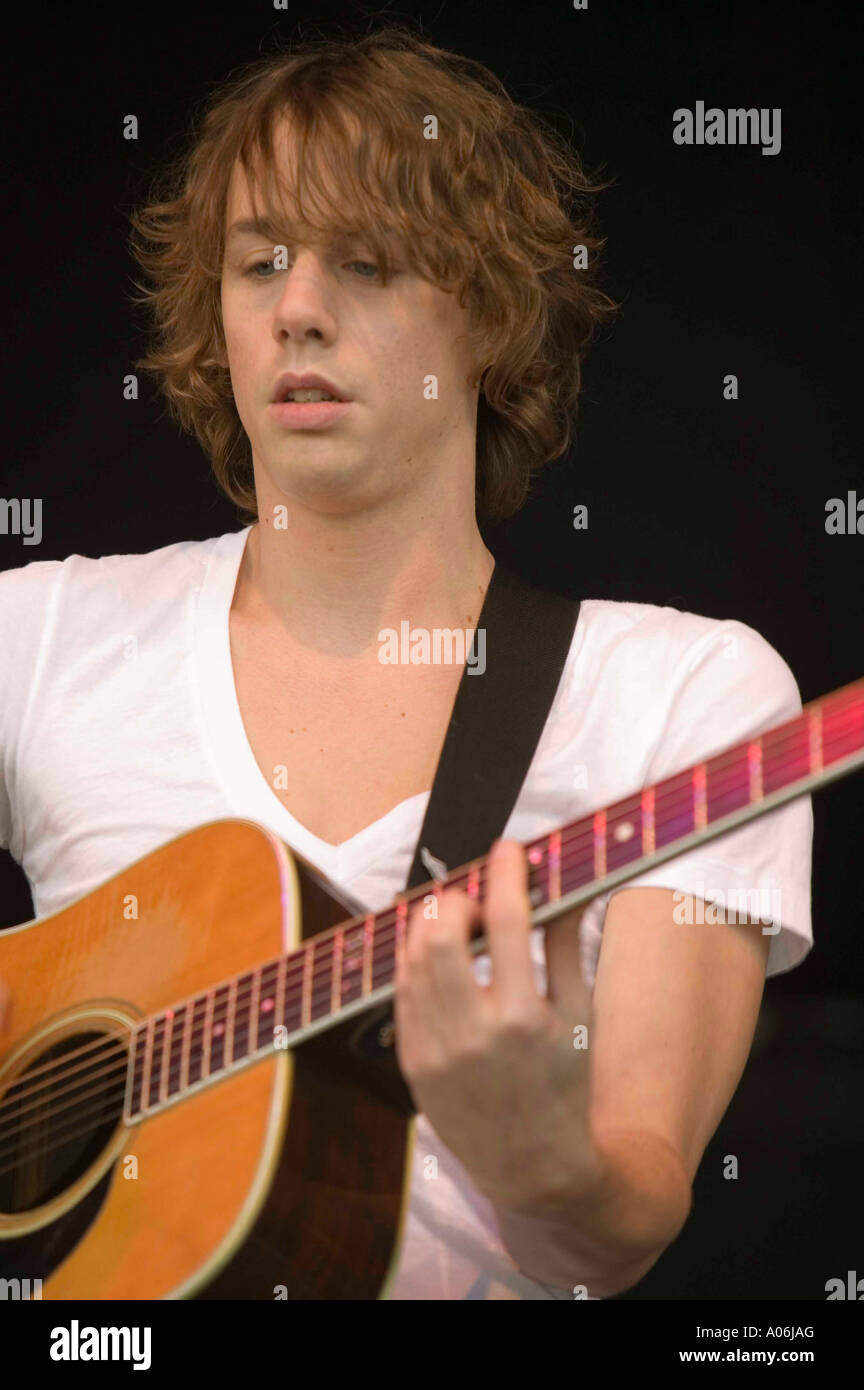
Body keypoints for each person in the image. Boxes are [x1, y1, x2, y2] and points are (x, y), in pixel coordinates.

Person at [0, 25, 812, 1299]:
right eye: (258, 263)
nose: (298, 309)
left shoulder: (688, 700)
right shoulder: (37, 639)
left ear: (489, 316)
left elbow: (622, 1230)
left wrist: (547, 1165)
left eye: (366, 264)